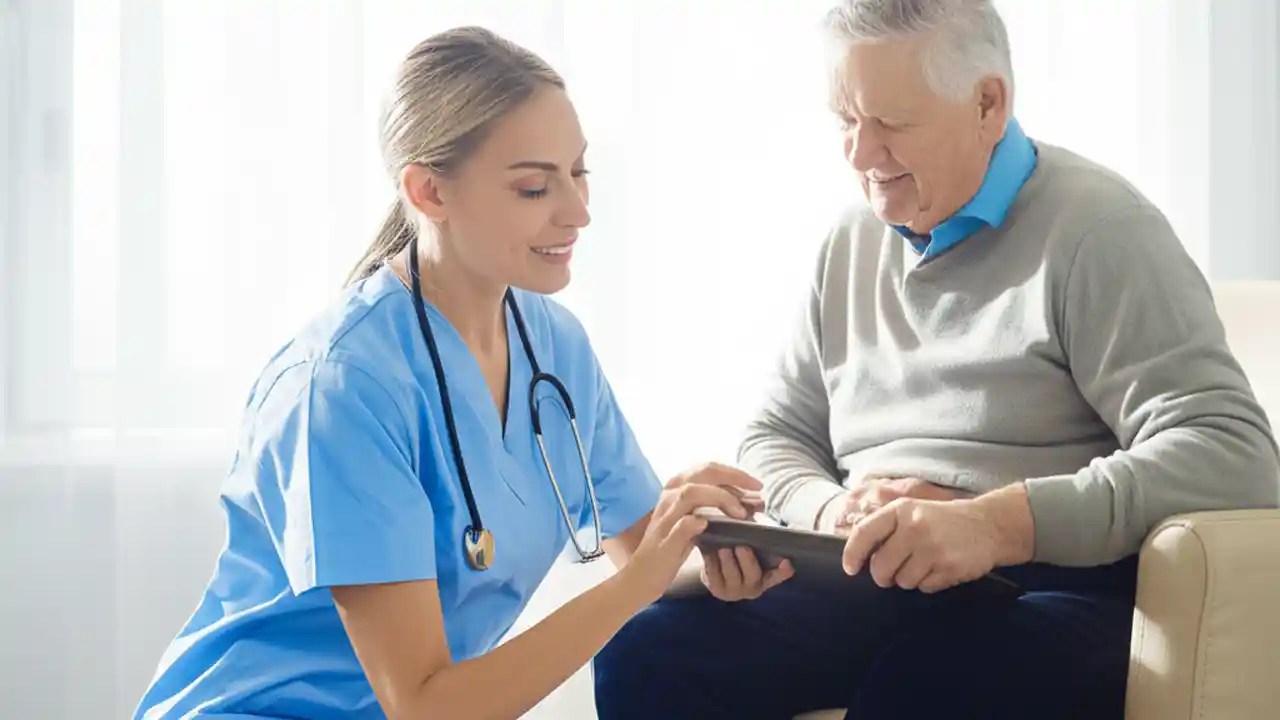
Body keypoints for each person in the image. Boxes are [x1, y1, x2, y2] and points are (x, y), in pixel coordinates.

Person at [593, 1, 1280, 719]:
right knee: (647, 653)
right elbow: (778, 436)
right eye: (845, 120)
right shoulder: (851, 242)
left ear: (988, 103)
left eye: (890, 122)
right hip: (872, 576)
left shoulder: (1100, 232)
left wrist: (992, 524)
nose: (860, 153)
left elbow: (1231, 456)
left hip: (1047, 586)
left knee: (934, 683)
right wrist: (830, 510)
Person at [133, 27, 792, 719]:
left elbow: (643, 558)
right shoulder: (342, 387)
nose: (579, 211)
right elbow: (425, 705)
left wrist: (711, 550)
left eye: (579, 172)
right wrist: (638, 582)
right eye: (535, 187)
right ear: (427, 190)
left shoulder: (553, 347)